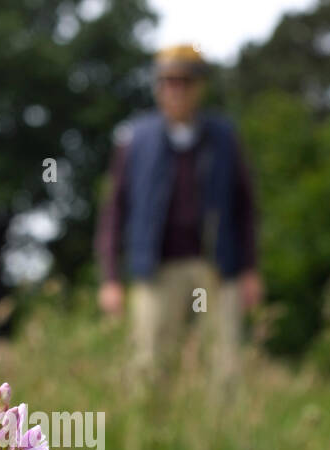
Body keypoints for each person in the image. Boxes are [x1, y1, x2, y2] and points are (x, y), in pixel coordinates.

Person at [95, 43, 262, 390]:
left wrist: (250, 269)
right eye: (168, 81)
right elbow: (114, 210)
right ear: (158, 86)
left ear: (200, 86)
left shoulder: (224, 137)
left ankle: (222, 436)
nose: (176, 89)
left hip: (217, 267)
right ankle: (150, 438)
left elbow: (245, 206)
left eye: (185, 81)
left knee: (224, 363)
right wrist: (111, 276)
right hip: (156, 269)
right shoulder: (135, 139)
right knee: (149, 362)